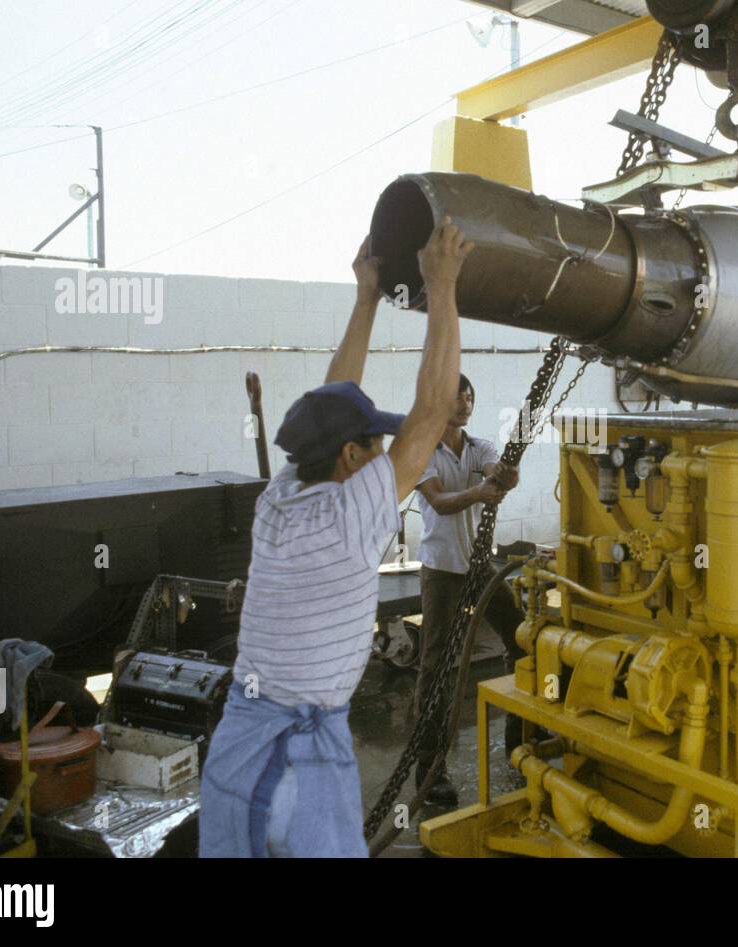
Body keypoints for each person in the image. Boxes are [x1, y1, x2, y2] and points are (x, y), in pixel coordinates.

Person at [198, 219, 473, 857]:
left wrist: (366, 298)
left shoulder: (282, 496)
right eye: (375, 444)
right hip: (299, 757)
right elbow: (432, 413)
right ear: (351, 456)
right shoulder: (350, 517)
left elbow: (331, 398)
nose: (385, 454)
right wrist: (444, 287)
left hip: (239, 744)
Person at [412, 374, 523, 807]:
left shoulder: (481, 449)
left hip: (480, 567)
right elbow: (439, 502)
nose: (466, 402)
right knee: (436, 664)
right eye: (458, 396)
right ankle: (429, 765)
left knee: (521, 637)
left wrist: (506, 474)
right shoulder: (423, 451)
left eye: (471, 396)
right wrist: (479, 491)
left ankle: (521, 734)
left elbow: (500, 473)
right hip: (441, 572)